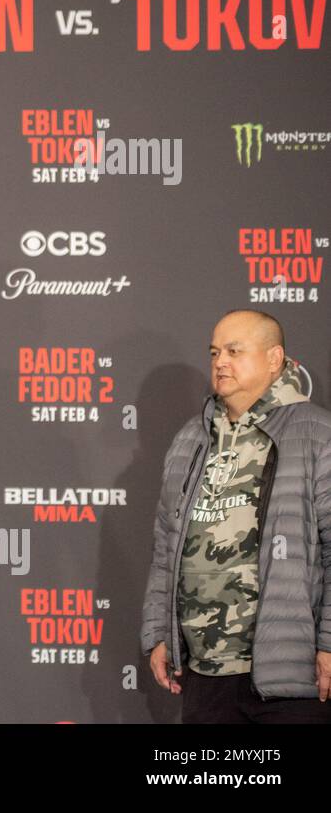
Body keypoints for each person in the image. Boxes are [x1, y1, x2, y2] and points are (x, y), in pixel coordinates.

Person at [141, 309, 331, 722]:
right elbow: (165, 548)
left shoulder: (316, 433)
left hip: (289, 676)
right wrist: (160, 634)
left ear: (273, 358)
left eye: (234, 350)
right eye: (214, 352)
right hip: (203, 673)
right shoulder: (190, 439)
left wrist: (330, 645)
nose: (220, 362)